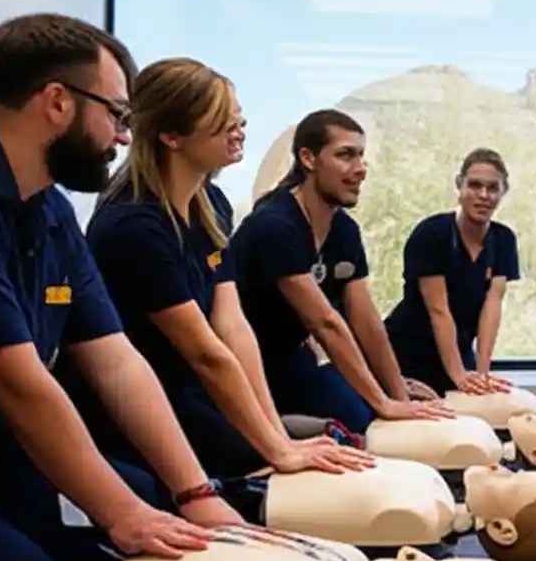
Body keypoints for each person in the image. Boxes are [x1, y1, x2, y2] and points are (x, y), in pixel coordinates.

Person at [0, 13, 241, 561]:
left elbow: (115, 359)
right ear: (58, 102)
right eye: (117, 115)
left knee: (137, 529)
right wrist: (123, 515)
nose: (124, 137)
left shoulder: (50, 211)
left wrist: (195, 495)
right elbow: (17, 382)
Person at [78, 57, 374, 480]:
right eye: (223, 122)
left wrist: (277, 438)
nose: (239, 131)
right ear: (171, 136)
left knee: (276, 451)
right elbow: (206, 354)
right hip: (140, 397)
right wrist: (275, 450)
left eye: (240, 120)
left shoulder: (212, 206)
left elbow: (232, 326)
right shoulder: (134, 227)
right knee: (253, 464)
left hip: (190, 386)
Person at [231, 109, 451, 435]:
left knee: (365, 413)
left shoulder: (344, 231)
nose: (360, 169)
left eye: (361, 156)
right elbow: (325, 323)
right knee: (363, 419)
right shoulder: (273, 225)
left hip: (289, 357)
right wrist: (383, 403)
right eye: (346, 155)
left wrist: (399, 394)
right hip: (244, 361)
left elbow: (366, 320)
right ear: (308, 158)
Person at [384, 149, 520, 395]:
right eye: (474, 185)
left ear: (504, 191)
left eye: (492, 188)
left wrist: (481, 374)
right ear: (459, 185)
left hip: (459, 353)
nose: (483, 195)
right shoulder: (432, 234)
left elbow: (492, 306)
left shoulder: (503, 239)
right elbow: (439, 311)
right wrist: (457, 376)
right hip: (407, 354)